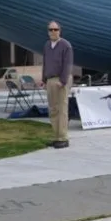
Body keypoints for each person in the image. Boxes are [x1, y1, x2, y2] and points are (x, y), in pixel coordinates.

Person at [42, 20, 74, 148]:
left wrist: (63, 80)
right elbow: (45, 63)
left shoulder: (66, 45)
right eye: (51, 29)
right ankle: (55, 137)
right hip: (50, 80)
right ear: (48, 32)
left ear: (60, 31)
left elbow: (68, 64)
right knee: (53, 109)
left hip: (61, 80)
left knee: (62, 109)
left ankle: (63, 138)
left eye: (56, 29)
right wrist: (44, 80)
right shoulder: (47, 45)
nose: (53, 32)